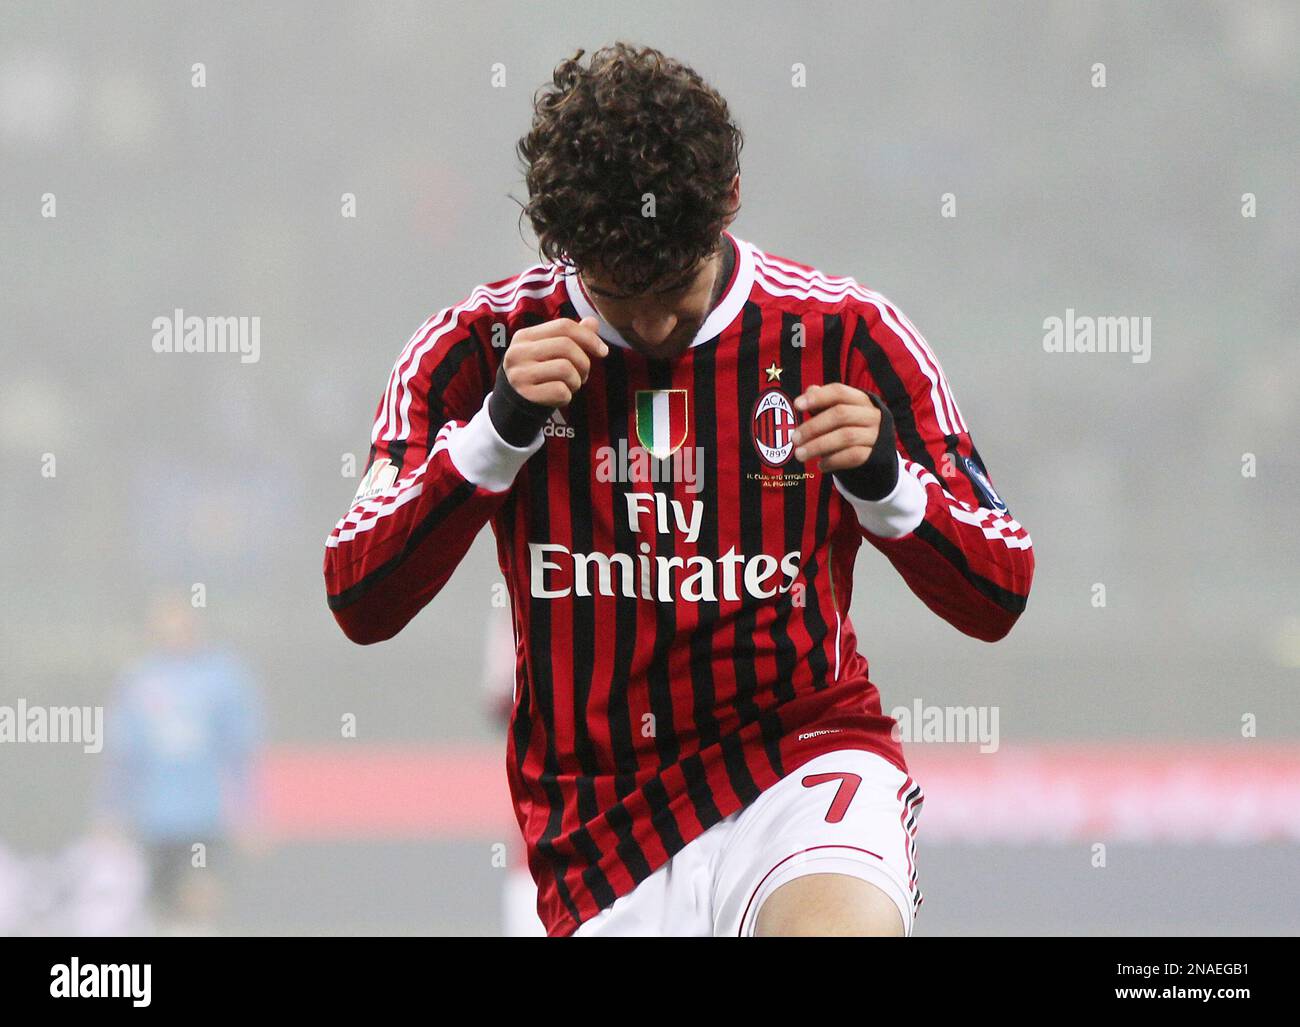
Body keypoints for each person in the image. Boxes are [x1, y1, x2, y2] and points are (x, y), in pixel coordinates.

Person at [324, 43, 1034, 937]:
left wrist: (890, 486)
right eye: (620, 295)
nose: (654, 324)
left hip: (798, 760)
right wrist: (495, 435)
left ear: (729, 202)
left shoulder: (844, 335)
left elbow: (1002, 585)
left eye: (675, 287)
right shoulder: (478, 349)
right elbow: (356, 592)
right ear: (562, 244)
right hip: (600, 829)